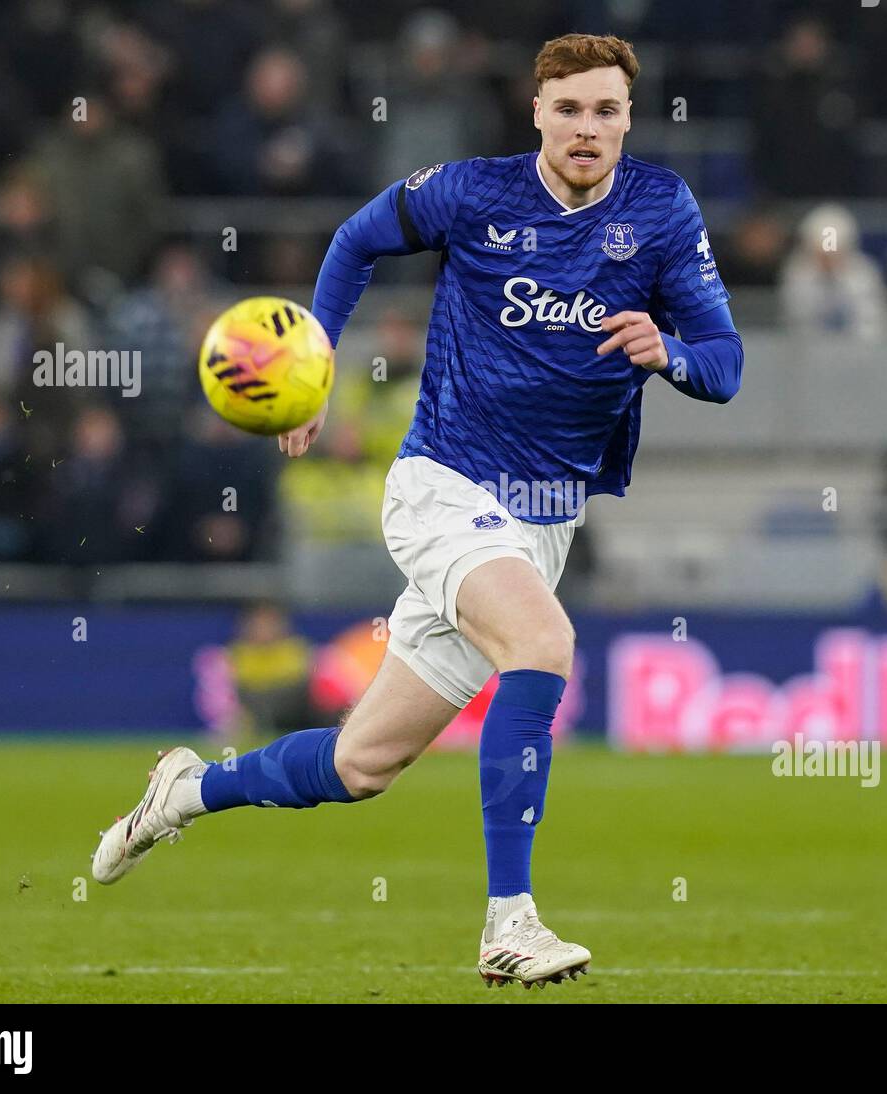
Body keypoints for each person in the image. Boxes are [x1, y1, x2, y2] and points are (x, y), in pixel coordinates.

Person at [92, 33, 743, 989]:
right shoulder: (476, 192)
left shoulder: (659, 210)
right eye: (568, 110)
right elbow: (357, 238)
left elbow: (723, 363)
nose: (586, 129)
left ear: (628, 118)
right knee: (543, 646)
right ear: (536, 113)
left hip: (543, 522)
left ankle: (184, 791)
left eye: (605, 111)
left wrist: (668, 352)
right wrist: (313, 372)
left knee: (362, 765)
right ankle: (509, 926)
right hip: (445, 486)